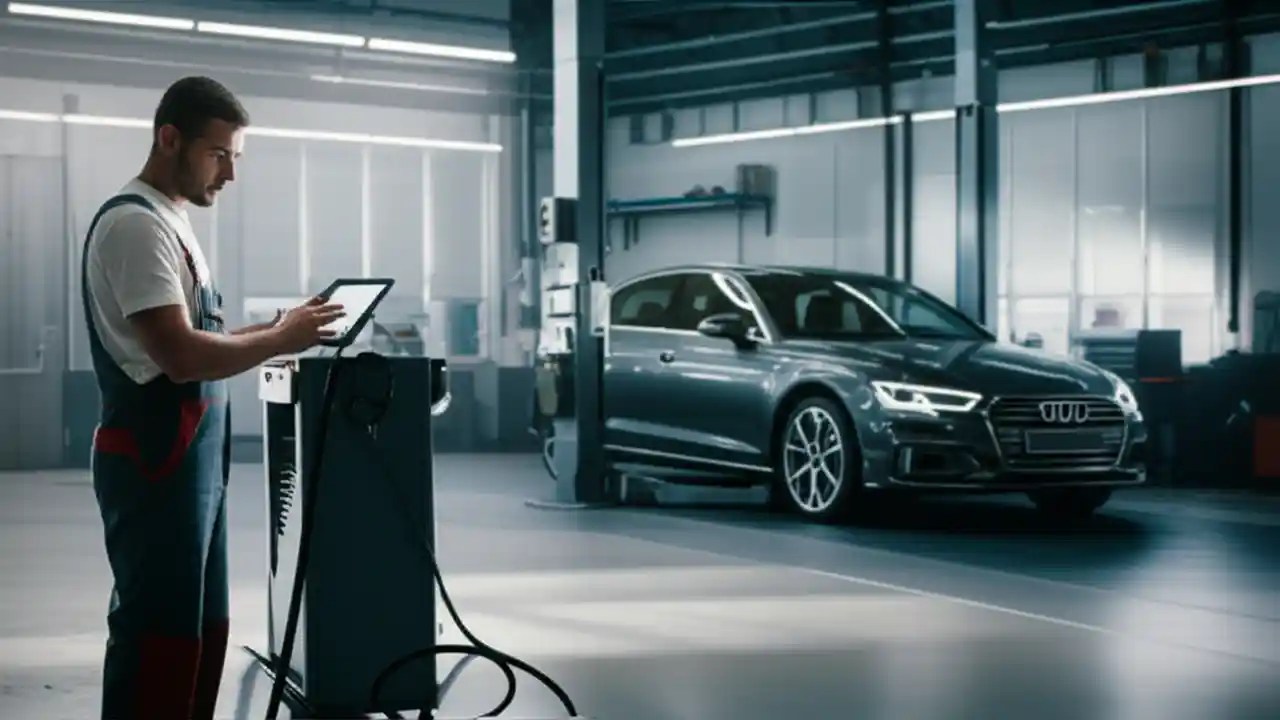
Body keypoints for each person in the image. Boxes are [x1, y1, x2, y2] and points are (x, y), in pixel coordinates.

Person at [80, 76, 344, 720]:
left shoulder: (171, 221)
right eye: (218, 154)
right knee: (158, 636)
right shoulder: (134, 227)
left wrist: (283, 331)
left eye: (236, 158)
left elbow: (206, 338)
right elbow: (180, 355)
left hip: (192, 463)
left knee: (200, 627)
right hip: (153, 461)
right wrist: (280, 336)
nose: (229, 174)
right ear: (170, 139)